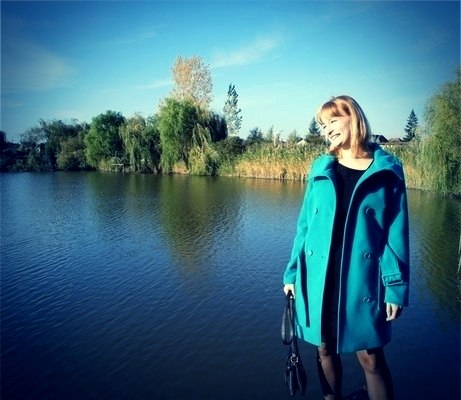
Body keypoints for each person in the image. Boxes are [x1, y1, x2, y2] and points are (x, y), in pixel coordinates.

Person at [283, 95, 409, 400]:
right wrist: (292, 274)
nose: (327, 129)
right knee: (324, 349)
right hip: (319, 275)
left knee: (372, 359)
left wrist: (395, 287)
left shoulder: (387, 170)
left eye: (333, 120)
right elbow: (304, 227)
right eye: (323, 125)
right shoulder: (320, 168)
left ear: (353, 118)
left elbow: (396, 233)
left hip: (363, 278)